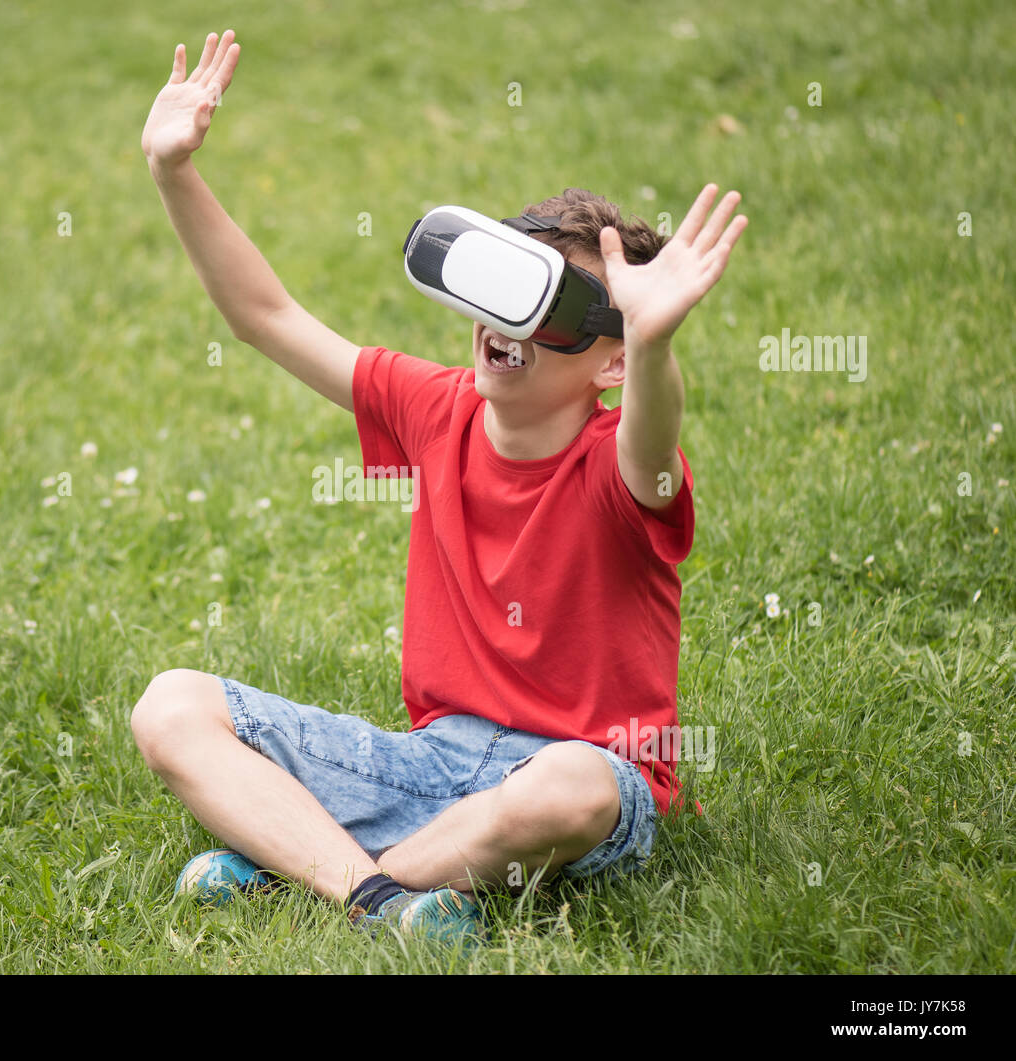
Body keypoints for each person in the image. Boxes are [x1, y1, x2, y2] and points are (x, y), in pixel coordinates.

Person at [132, 29, 747, 947]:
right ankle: (386, 897)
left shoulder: (624, 458)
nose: (510, 326)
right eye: (504, 292)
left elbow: (655, 447)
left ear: (611, 362)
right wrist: (173, 172)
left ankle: (310, 872)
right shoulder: (434, 407)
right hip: (433, 761)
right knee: (170, 707)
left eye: (553, 313)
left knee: (570, 786)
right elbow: (266, 317)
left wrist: (655, 344)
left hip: (585, 780)